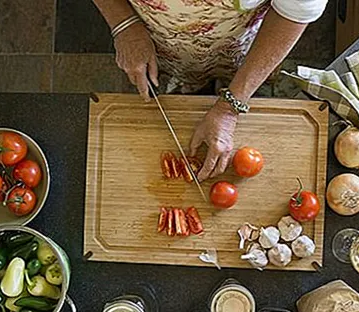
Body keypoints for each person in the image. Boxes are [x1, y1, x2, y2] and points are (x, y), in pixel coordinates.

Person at [93, 0, 328, 180]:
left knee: (237, 71)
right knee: (174, 71)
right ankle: (186, 82)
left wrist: (230, 106)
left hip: (236, 37)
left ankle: (229, 84)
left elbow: (294, 11)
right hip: (155, 29)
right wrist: (123, 23)